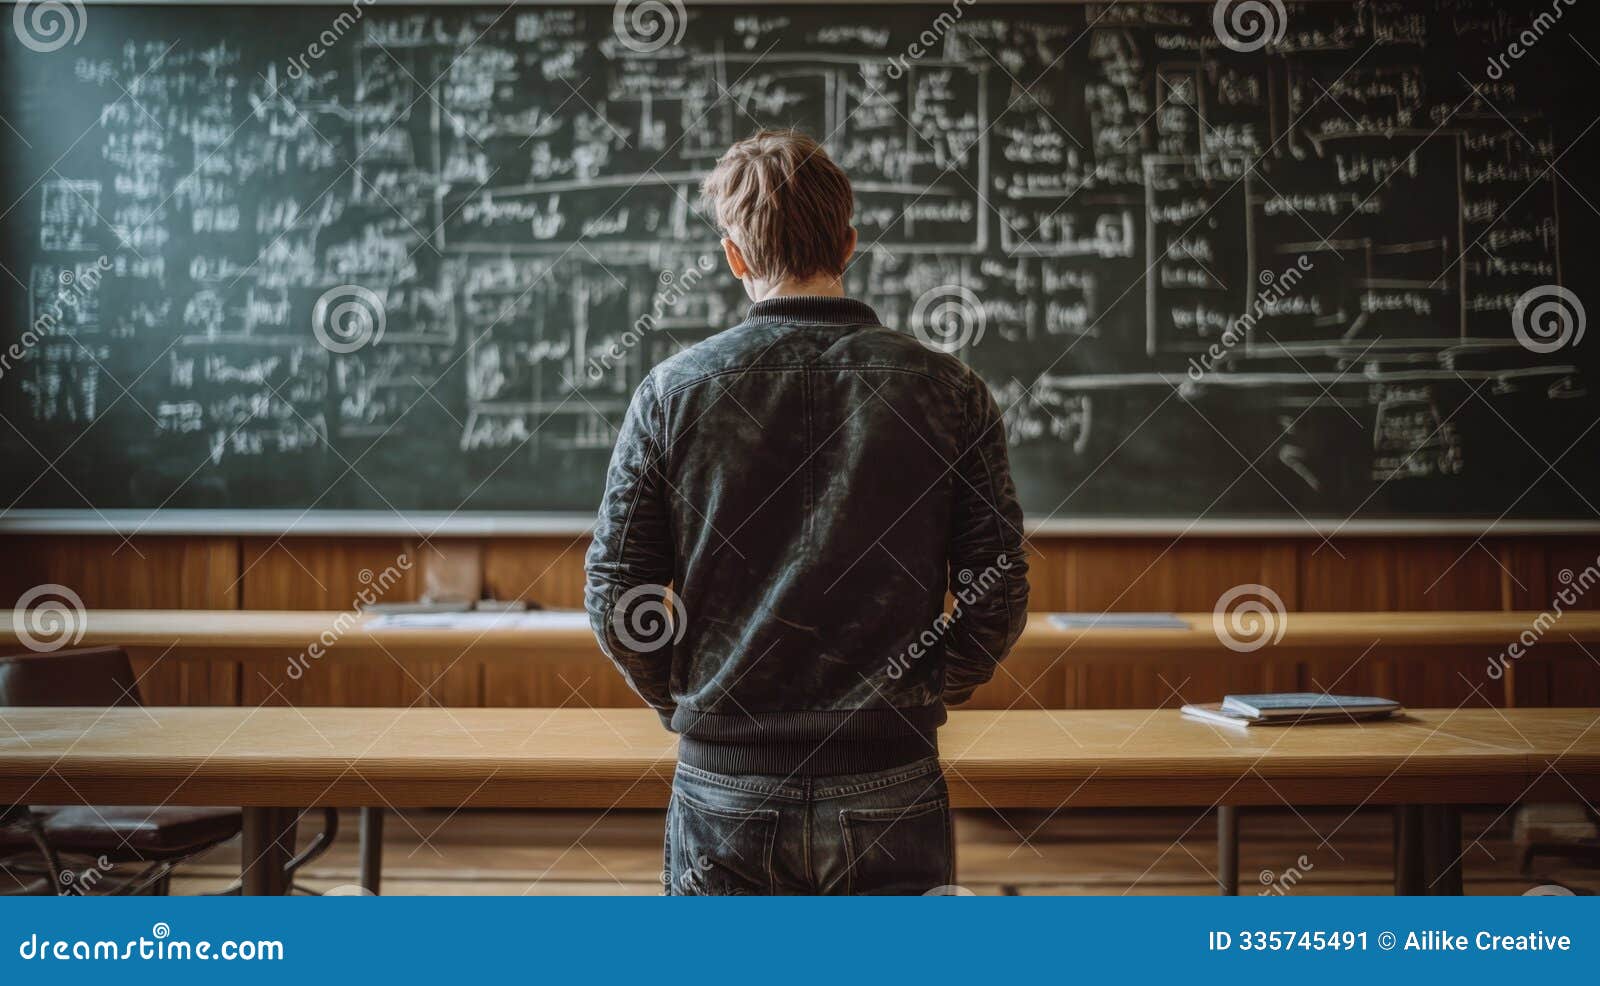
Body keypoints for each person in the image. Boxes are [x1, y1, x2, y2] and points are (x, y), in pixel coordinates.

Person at [585, 129, 1028, 895]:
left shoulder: (672, 391)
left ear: (734, 256)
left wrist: (687, 699)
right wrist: (925, 689)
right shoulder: (949, 388)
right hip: (890, 772)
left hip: (726, 783)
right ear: (849, 244)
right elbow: (999, 586)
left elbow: (615, 591)